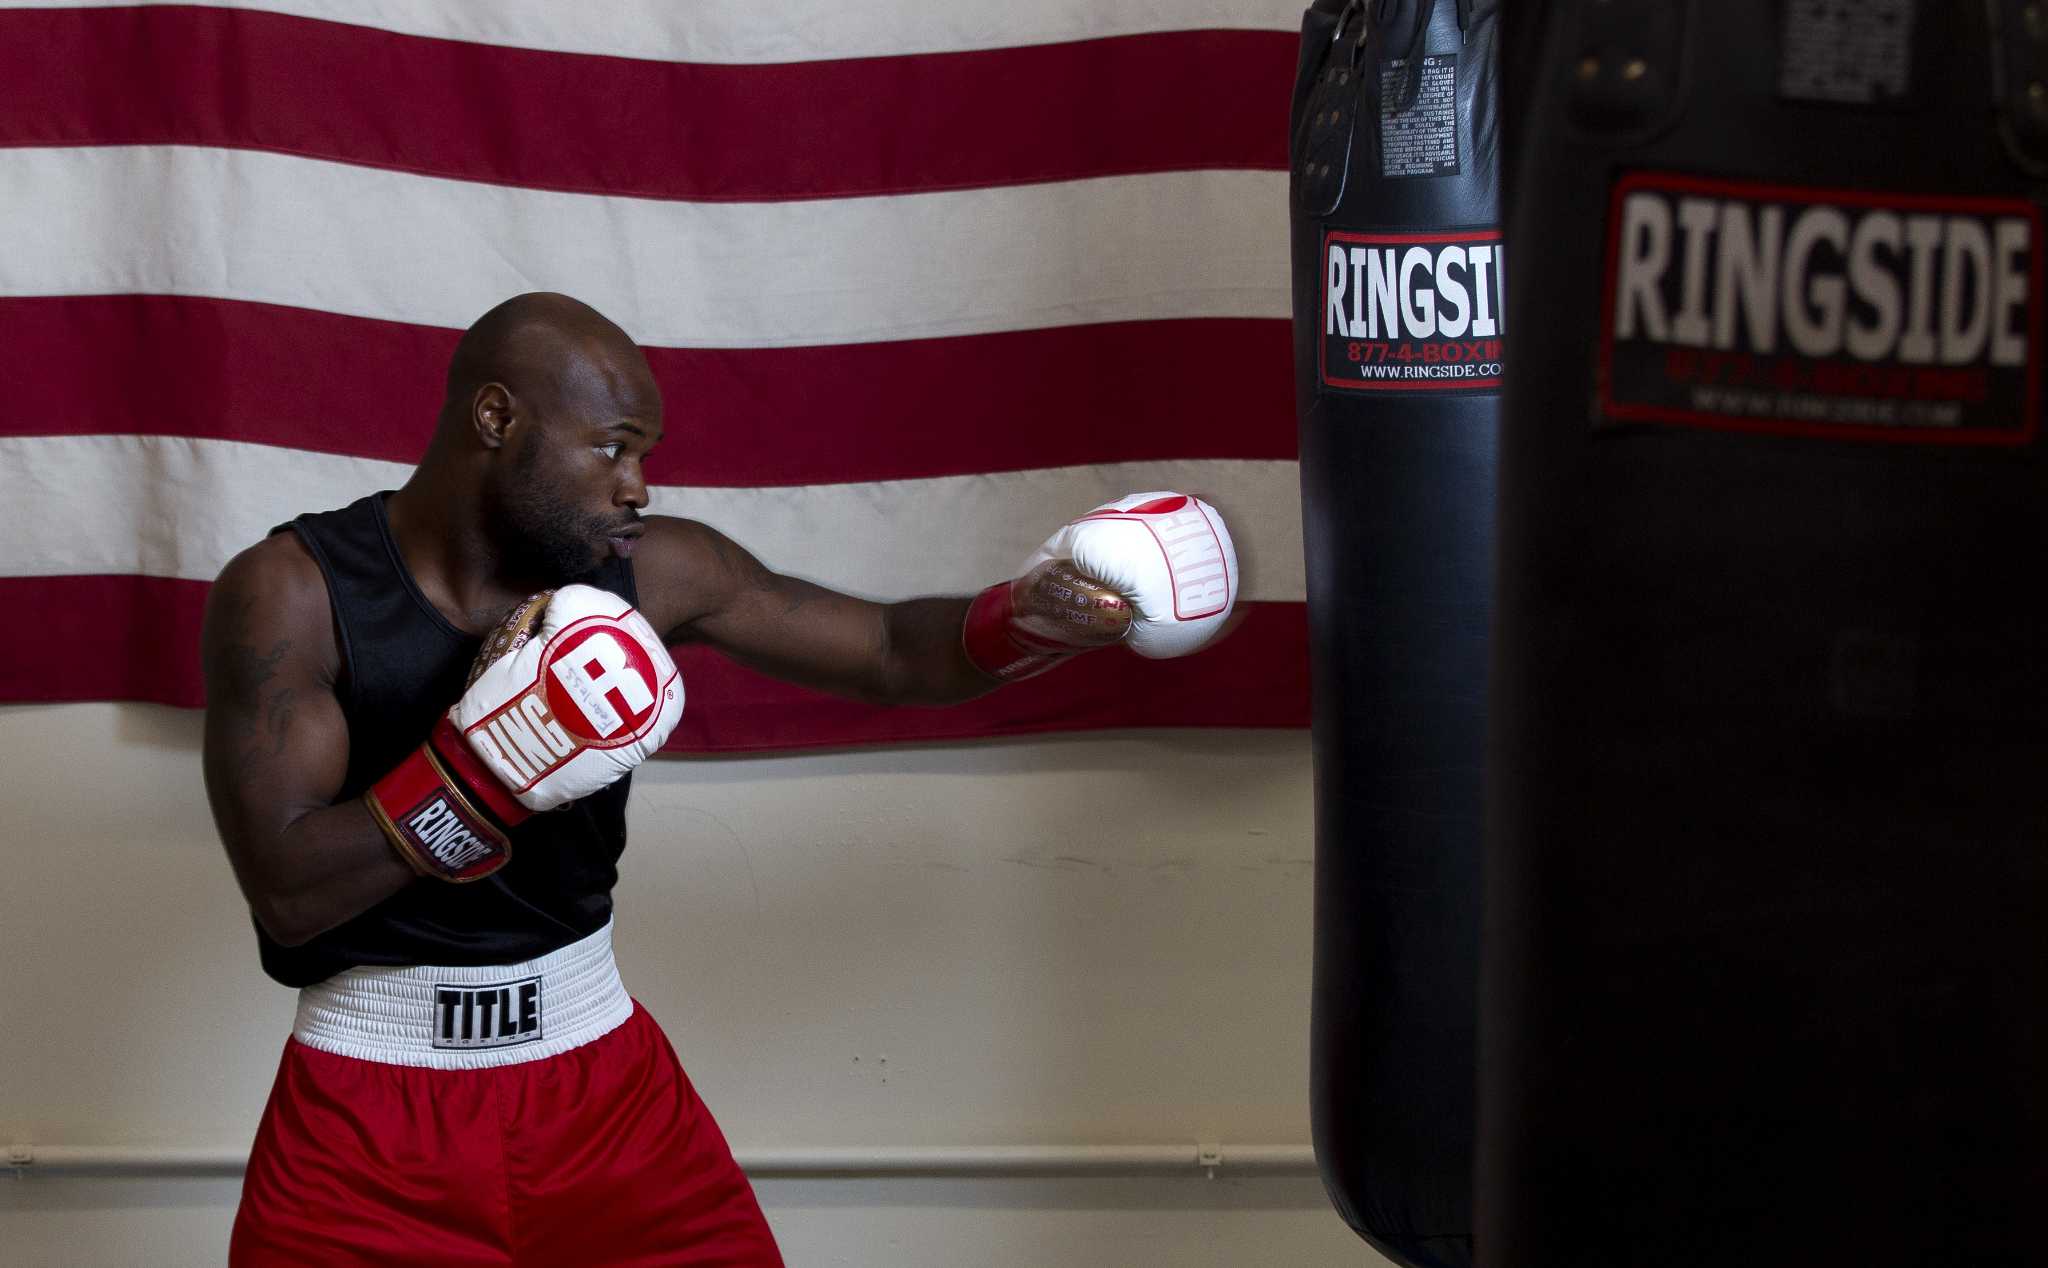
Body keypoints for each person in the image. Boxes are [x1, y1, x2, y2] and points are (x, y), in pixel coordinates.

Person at [200, 292, 1237, 1265]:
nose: (636, 485)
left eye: (643, 453)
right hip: (367, 1114)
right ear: (494, 416)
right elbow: (289, 894)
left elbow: (882, 647)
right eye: (610, 447)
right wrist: (482, 768)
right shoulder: (295, 590)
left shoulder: (652, 570)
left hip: (598, 1088)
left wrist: (1024, 615)